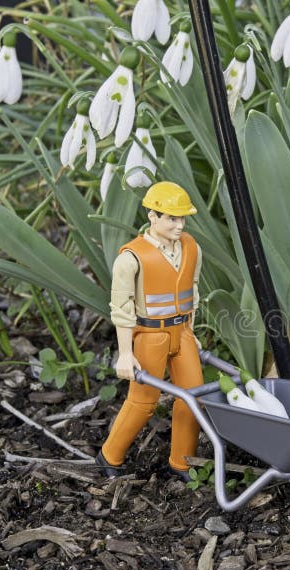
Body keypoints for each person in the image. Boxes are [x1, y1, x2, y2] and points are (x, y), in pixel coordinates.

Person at [96, 181, 203, 481]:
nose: (178, 225)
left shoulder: (191, 248)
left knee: (193, 397)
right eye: (171, 217)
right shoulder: (131, 258)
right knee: (143, 403)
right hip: (150, 335)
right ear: (152, 216)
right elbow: (122, 309)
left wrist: (190, 330)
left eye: (182, 218)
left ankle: (181, 462)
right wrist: (126, 354)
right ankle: (110, 455)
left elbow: (192, 291)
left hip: (181, 333)